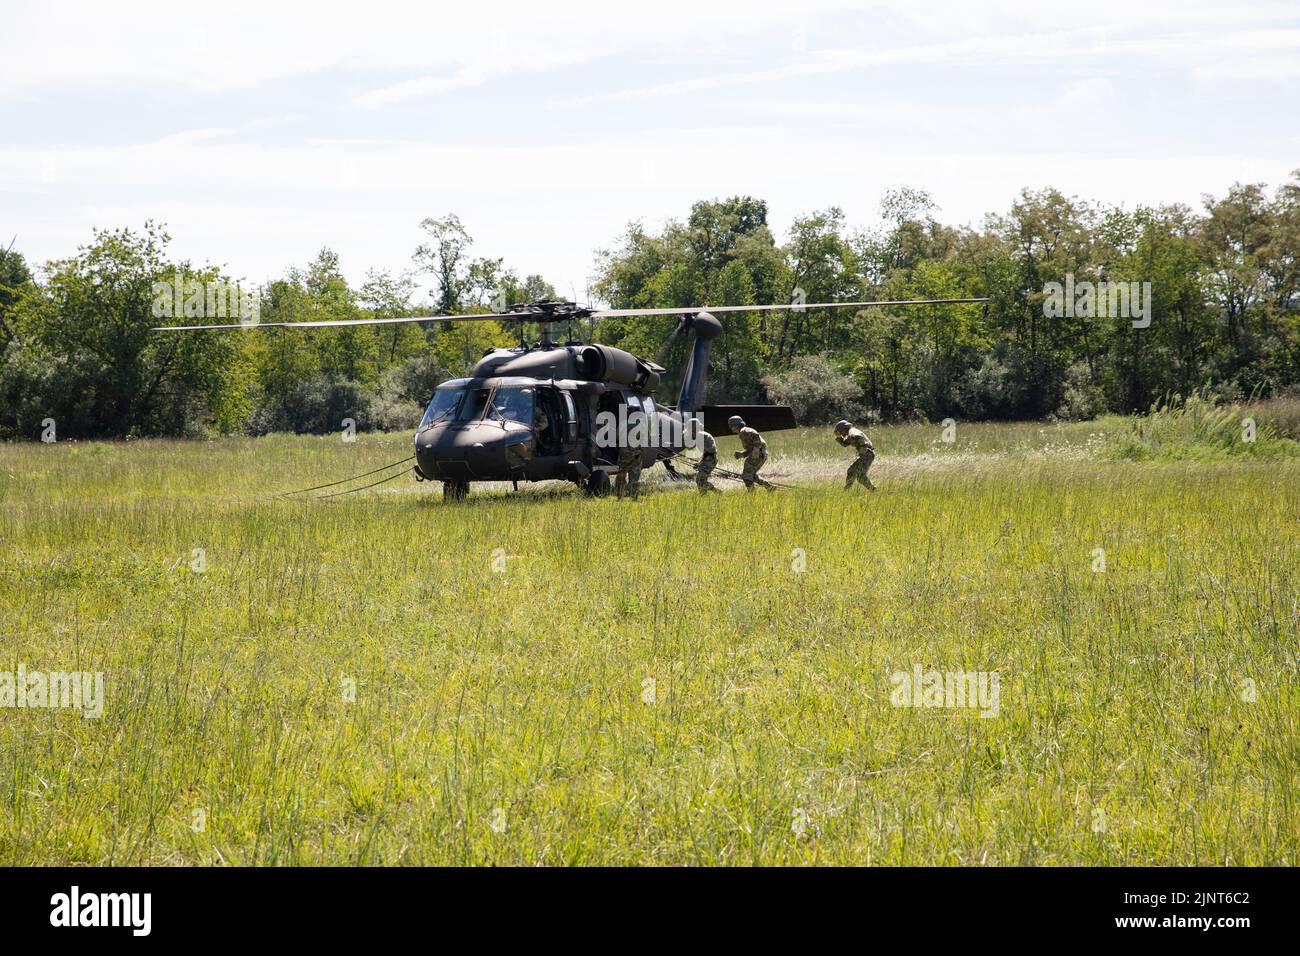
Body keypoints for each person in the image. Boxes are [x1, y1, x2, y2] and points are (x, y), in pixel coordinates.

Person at [728, 415, 772, 491]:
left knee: (746, 476)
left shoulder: (744, 431)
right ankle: (769, 487)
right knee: (750, 475)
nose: (731, 428)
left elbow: (756, 436)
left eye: (731, 426)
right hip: (760, 454)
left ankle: (752, 493)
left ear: (734, 426)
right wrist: (742, 454)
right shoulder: (743, 432)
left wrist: (755, 453)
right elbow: (750, 449)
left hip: (759, 454)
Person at [835, 419, 876, 490]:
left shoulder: (852, 432)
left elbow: (857, 436)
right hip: (866, 454)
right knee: (854, 473)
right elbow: (845, 444)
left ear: (845, 429)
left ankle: (873, 490)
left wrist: (862, 447)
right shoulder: (850, 432)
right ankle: (847, 490)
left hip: (867, 454)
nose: (841, 434)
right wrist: (839, 438)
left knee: (857, 474)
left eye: (840, 432)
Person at [695, 429, 720, 493]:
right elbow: (706, 451)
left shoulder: (700, 435)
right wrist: (699, 463)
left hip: (709, 460)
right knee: (700, 480)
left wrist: (700, 463)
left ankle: (717, 492)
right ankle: (704, 496)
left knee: (700, 480)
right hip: (709, 459)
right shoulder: (702, 434)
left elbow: (708, 452)